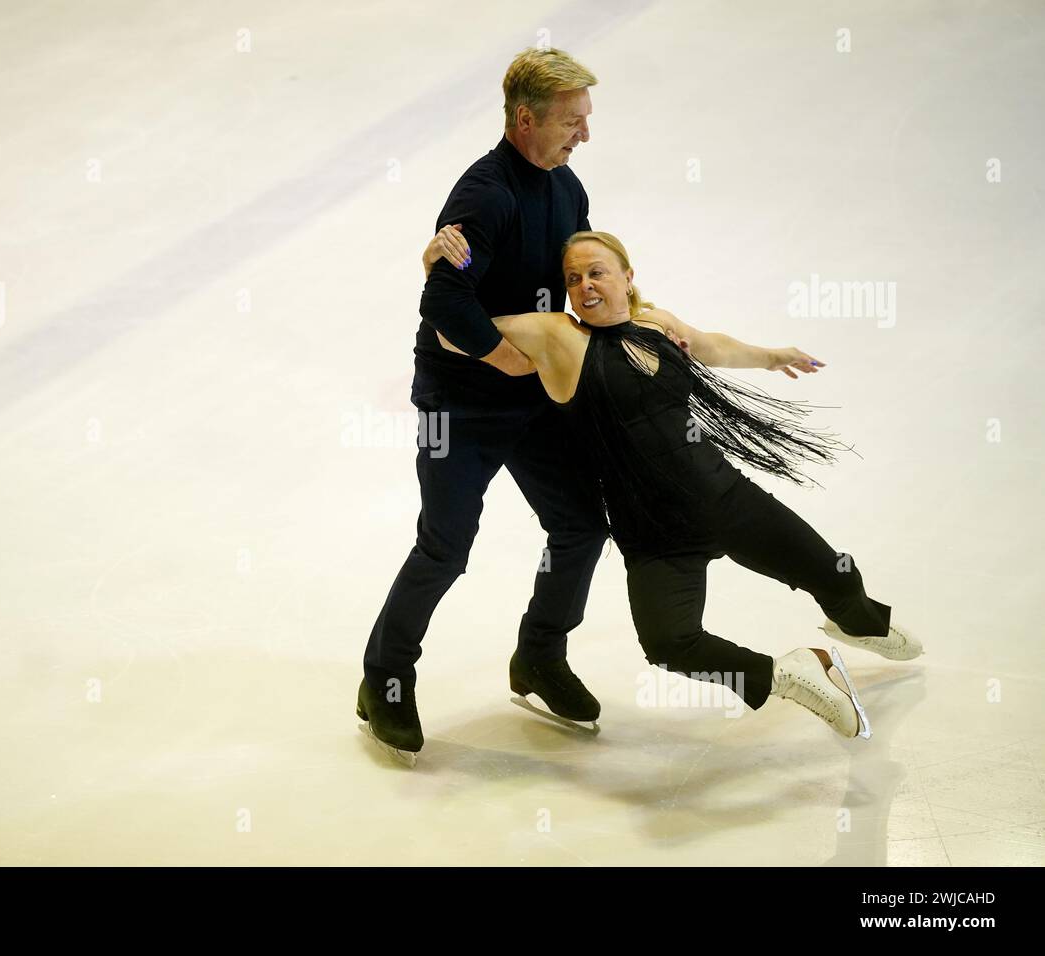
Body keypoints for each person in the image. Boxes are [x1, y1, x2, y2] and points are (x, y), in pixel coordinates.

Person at [423, 228, 922, 738]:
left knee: (837, 578)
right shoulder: (558, 338)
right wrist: (434, 267)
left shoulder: (655, 324)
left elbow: (711, 346)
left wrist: (774, 356)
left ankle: (860, 622)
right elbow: (451, 331)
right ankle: (789, 674)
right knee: (669, 643)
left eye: (597, 272)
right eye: (574, 279)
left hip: (723, 497)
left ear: (627, 277)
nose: (585, 286)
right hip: (653, 533)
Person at [359, 48, 609, 762]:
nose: (583, 135)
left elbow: (576, 282)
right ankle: (386, 678)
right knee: (445, 544)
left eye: (586, 120)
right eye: (571, 121)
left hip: (527, 400)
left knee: (582, 523)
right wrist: (507, 357)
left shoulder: (567, 189)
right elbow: (443, 304)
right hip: (457, 404)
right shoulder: (483, 195)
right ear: (525, 119)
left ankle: (539, 657)